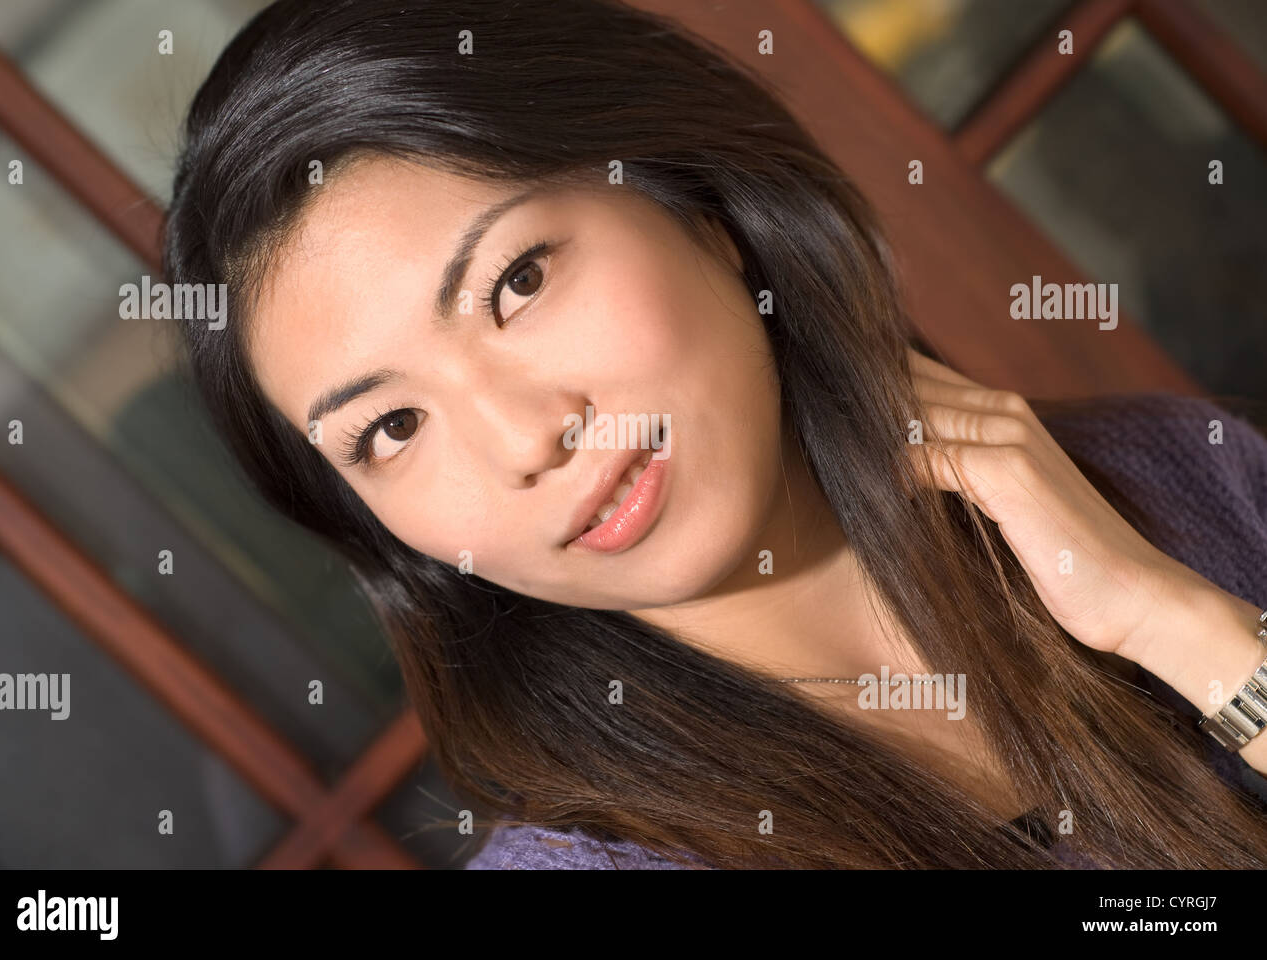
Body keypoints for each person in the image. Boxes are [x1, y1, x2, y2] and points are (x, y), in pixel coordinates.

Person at [163, 0, 1267, 868]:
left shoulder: (1168, 476)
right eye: (392, 426)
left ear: (697, 209)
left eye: (518, 281)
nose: (522, 441)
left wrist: (1183, 632)